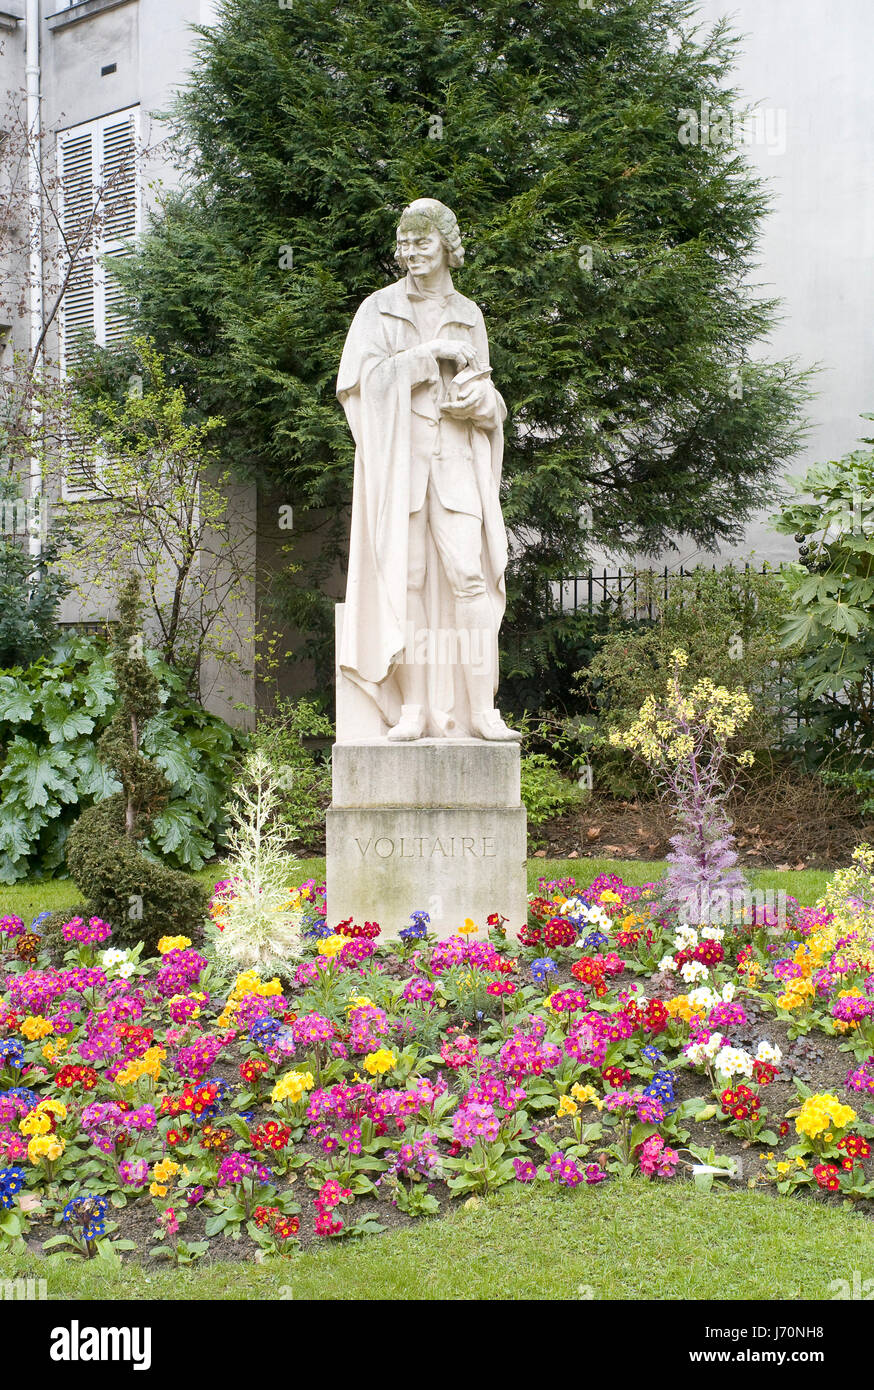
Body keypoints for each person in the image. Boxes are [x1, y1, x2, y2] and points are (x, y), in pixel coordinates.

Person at [336, 197, 520, 741]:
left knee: (470, 577)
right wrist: (426, 356)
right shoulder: (378, 309)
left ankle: (481, 711)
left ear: (446, 245)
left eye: (423, 242)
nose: (411, 252)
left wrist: (481, 404)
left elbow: (490, 398)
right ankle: (413, 707)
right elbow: (359, 387)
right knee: (407, 579)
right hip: (401, 468)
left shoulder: (470, 315)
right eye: (405, 243)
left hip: (457, 465)